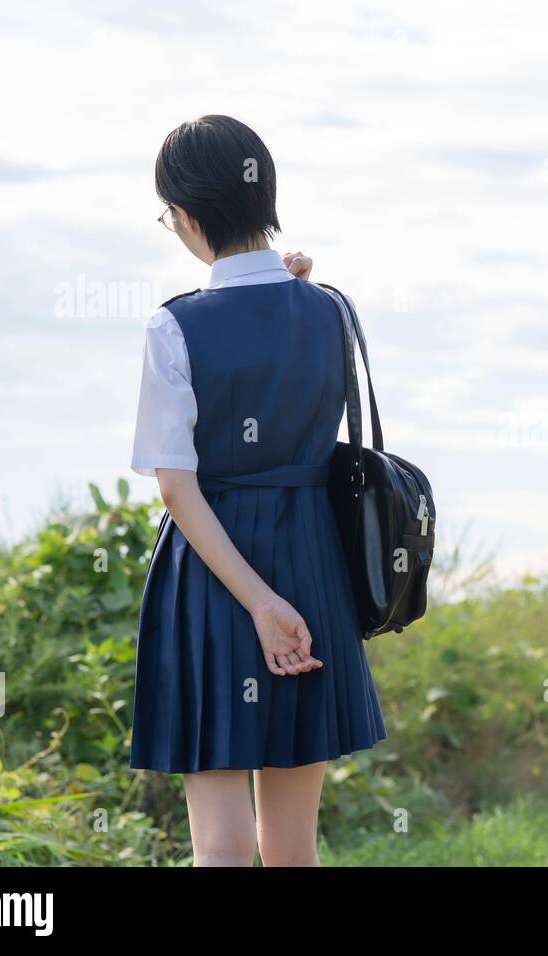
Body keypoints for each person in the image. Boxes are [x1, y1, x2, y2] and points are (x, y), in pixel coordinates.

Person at [128, 114, 387, 866]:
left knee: (220, 848)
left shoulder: (173, 327)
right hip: (310, 562)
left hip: (212, 579)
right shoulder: (331, 308)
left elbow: (178, 490)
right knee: (293, 850)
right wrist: (279, 601)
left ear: (189, 217)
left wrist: (255, 604)